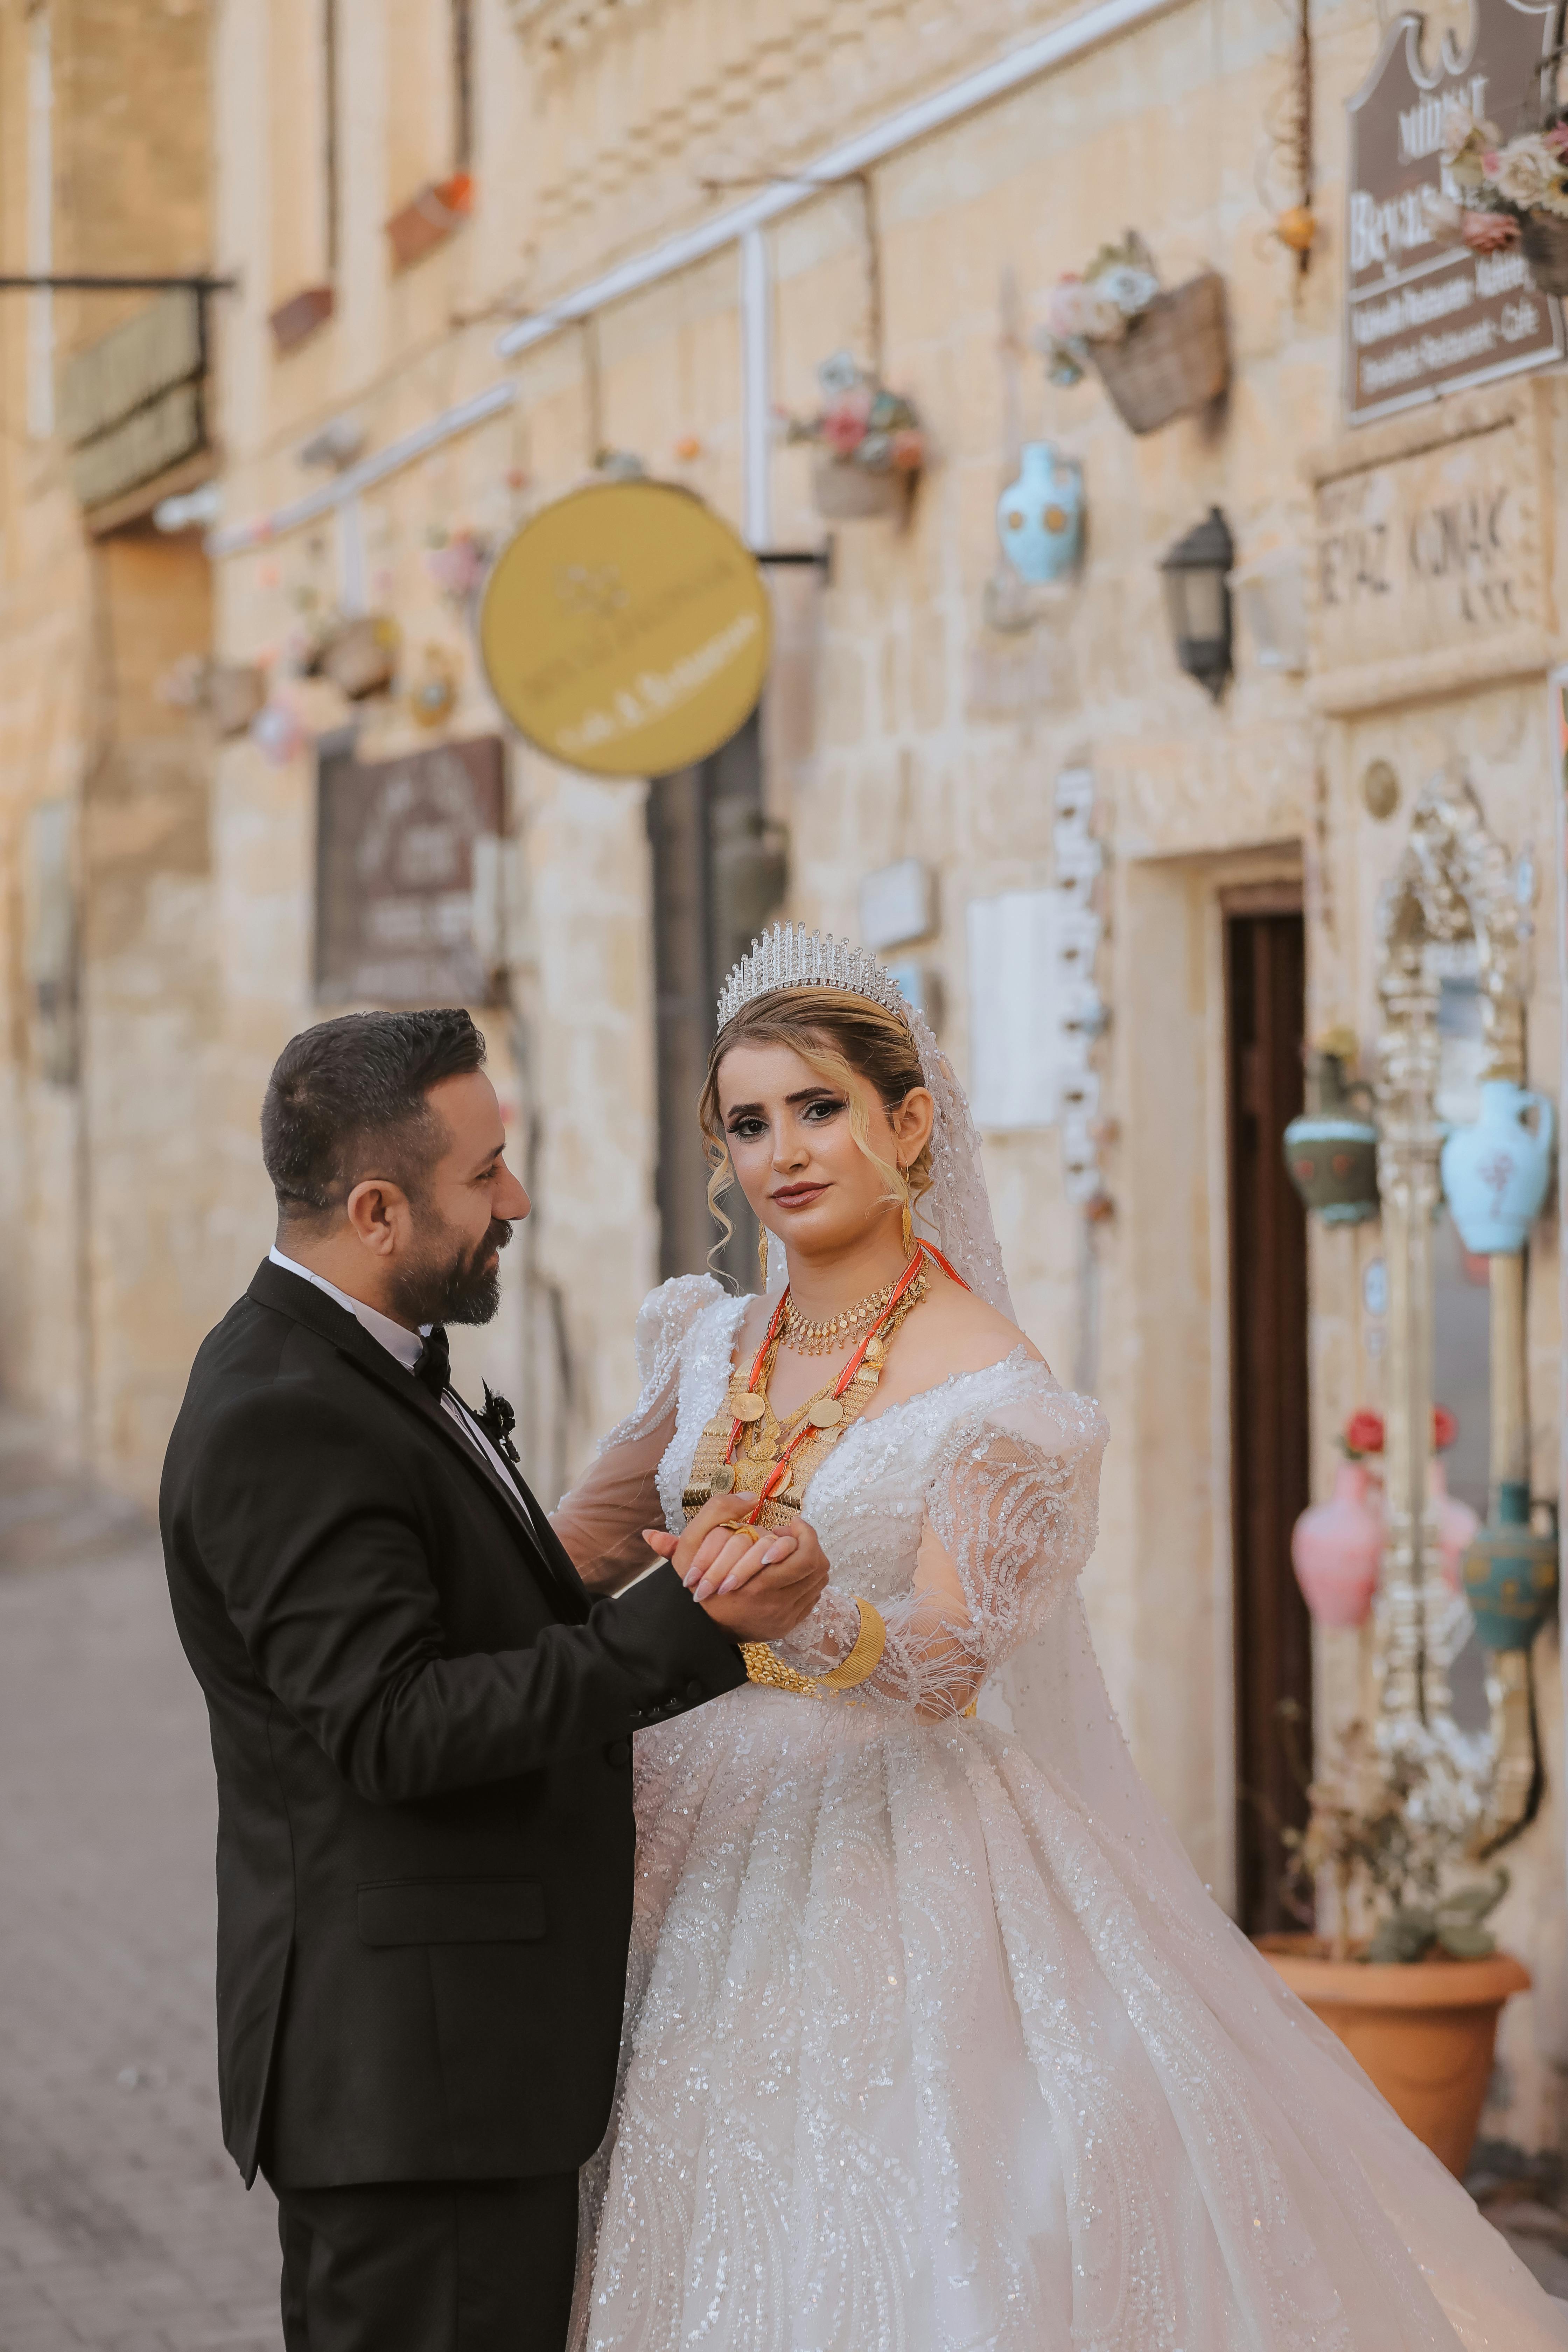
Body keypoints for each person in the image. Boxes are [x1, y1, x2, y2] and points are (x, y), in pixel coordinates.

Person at [551, 923, 1568, 2352]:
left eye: (820, 1108)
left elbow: (950, 1661)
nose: (784, 1152)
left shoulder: (995, 1388)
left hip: (892, 1849)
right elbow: (574, 1545)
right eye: (751, 1122)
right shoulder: (704, 1344)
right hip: (685, 1828)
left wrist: (812, 1615)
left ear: (911, 1123)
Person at [159, 1007, 827, 2352]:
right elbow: (394, 1726)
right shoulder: (285, 1410)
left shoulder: (356, 1360)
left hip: (452, 2072)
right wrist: (689, 1624)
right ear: (377, 1210)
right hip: (417, 2086)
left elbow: (446, 1620)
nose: (515, 1200)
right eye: (484, 1176)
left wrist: (597, 1569)